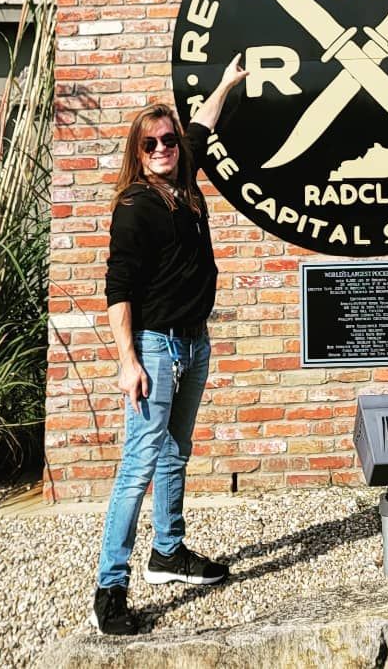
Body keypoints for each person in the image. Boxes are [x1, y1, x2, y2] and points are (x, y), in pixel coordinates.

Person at [90, 55, 248, 637]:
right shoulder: (135, 208)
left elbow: (202, 124)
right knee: (137, 468)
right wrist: (128, 362)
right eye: (151, 142)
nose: (163, 147)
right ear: (138, 152)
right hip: (156, 350)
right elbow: (118, 290)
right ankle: (110, 587)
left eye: (169, 140)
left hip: (193, 344)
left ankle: (169, 551)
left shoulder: (183, 181)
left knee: (175, 452)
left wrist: (228, 83)